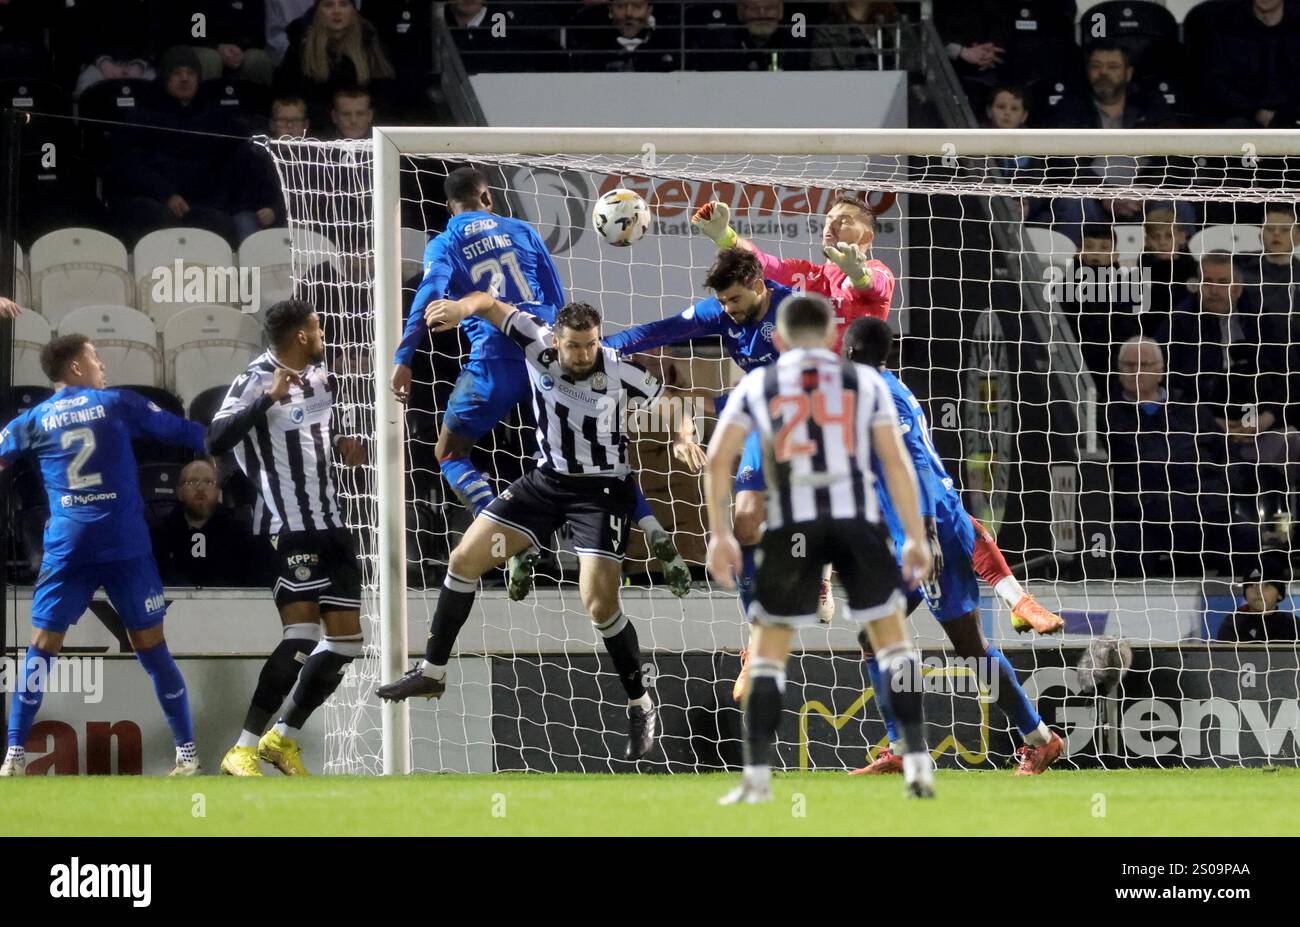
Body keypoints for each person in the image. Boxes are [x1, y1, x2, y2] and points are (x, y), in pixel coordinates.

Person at [376, 296, 705, 762]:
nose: (582, 355)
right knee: (464, 560)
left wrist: (684, 436)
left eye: (590, 345)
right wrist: (459, 308)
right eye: (573, 346)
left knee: (599, 602)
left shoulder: (620, 369)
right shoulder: (535, 343)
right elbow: (490, 304)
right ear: (555, 340)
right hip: (544, 484)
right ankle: (432, 670)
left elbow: (674, 404)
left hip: (601, 492)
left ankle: (640, 704)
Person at [391, 167, 691, 600]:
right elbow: (556, 299)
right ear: (488, 198)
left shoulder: (445, 242)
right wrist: (568, 356)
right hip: (546, 359)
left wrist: (405, 357)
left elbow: (431, 292)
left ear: (448, 206)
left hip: (493, 365)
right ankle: (652, 529)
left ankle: (506, 536)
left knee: (449, 452)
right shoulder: (521, 229)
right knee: (586, 455)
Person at [705, 293, 935, 802]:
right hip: (857, 522)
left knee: (768, 651)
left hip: (795, 527)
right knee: (892, 640)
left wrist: (722, 535)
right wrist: (916, 536)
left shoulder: (761, 383)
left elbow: (718, 461)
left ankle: (757, 778)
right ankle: (918, 763)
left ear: (780, 339)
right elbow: (896, 463)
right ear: (834, 337)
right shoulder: (863, 382)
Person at [842, 318, 1064, 777]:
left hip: (931, 532)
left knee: (970, 649)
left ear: (848, 355)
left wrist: (923, 532)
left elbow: (918, 465)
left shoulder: (882, 398)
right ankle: (903, 747)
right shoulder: (873, 393)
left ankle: (1040, 739)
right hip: (912, 531)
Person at [0, 335, 207, 777]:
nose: (102, 366)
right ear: (75, 368)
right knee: (152, 651)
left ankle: (14, 754)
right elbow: (179, 431)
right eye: (95, 358)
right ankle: (187, 754)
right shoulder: (113, 403)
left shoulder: (33, 419)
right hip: (123, 546)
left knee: (41, 650)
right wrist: (230, 438)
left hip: (68, 547)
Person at [206, 299, 368, 776]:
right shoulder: (255, 378)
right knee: (300, 636)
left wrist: (344, 444)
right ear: (300, 334)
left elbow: (326, 430)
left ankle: (283, 738)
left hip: (333, 525)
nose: (323, 333)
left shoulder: (323, 376)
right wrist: (267, 399)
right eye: (317, 326)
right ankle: (242, 748)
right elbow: (214, 441)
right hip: (289, 527)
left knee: (345, 643)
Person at [603, 247, 799, 619]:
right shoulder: (721, 312)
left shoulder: (794, 312)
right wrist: (602, 347)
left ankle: (818, 571)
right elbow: (659, 330)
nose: (728, 308)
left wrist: (704, 403)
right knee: (743, 524)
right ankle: (757, 632)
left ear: (759, 284)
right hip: (762, 423)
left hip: (810, 423)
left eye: (735, 299)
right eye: (722, 300)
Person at [1105, 336, 1237, 578]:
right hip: (1144, 515)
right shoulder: (1105, 416)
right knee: (1127, 540)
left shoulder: (1192, 412)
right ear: (1118, 370)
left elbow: (1229, 459)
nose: (1135, 371)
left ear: (1160, 371)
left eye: (1143, 365)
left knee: (1244, 535)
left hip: (1200, 509)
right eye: (1128, 365)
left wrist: (1214, 497)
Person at [275, 0, 396, 127]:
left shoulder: (369, 43)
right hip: (315, 130)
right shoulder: (301, 46)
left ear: (353, 11)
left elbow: (383, 97)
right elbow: (289, 97)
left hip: (361, 131)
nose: (336, 11)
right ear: (317, 11)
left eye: (344, 5)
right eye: (328, 5)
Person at [151, 457, 260, 586]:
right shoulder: (160, 534)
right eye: (192, 482)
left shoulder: (240, 533)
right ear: (179, 492)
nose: (200, 488)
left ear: (218, 492)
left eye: (208, 482)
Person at [1049, 43, 1175, 130]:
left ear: (1128, 73)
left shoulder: (1150, 106)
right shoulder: (1069, 108)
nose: (1103, 72)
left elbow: (1173, 153)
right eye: (1095, 66)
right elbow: (1065, 161)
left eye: (1112, 67)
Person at [569, 0, 681, 72]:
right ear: (610, 10)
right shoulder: (586, 54)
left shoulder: (671, 51)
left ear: (649, 11)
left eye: (637, 6)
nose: (629, 13)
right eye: (620, 6)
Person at [1218, 562, 1300, 642]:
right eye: (1252, 585)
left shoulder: (1293, 625)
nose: (1258, 591)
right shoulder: (1233, 624)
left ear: (1279, 593)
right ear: (1245, 593)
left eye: (1266, 585)